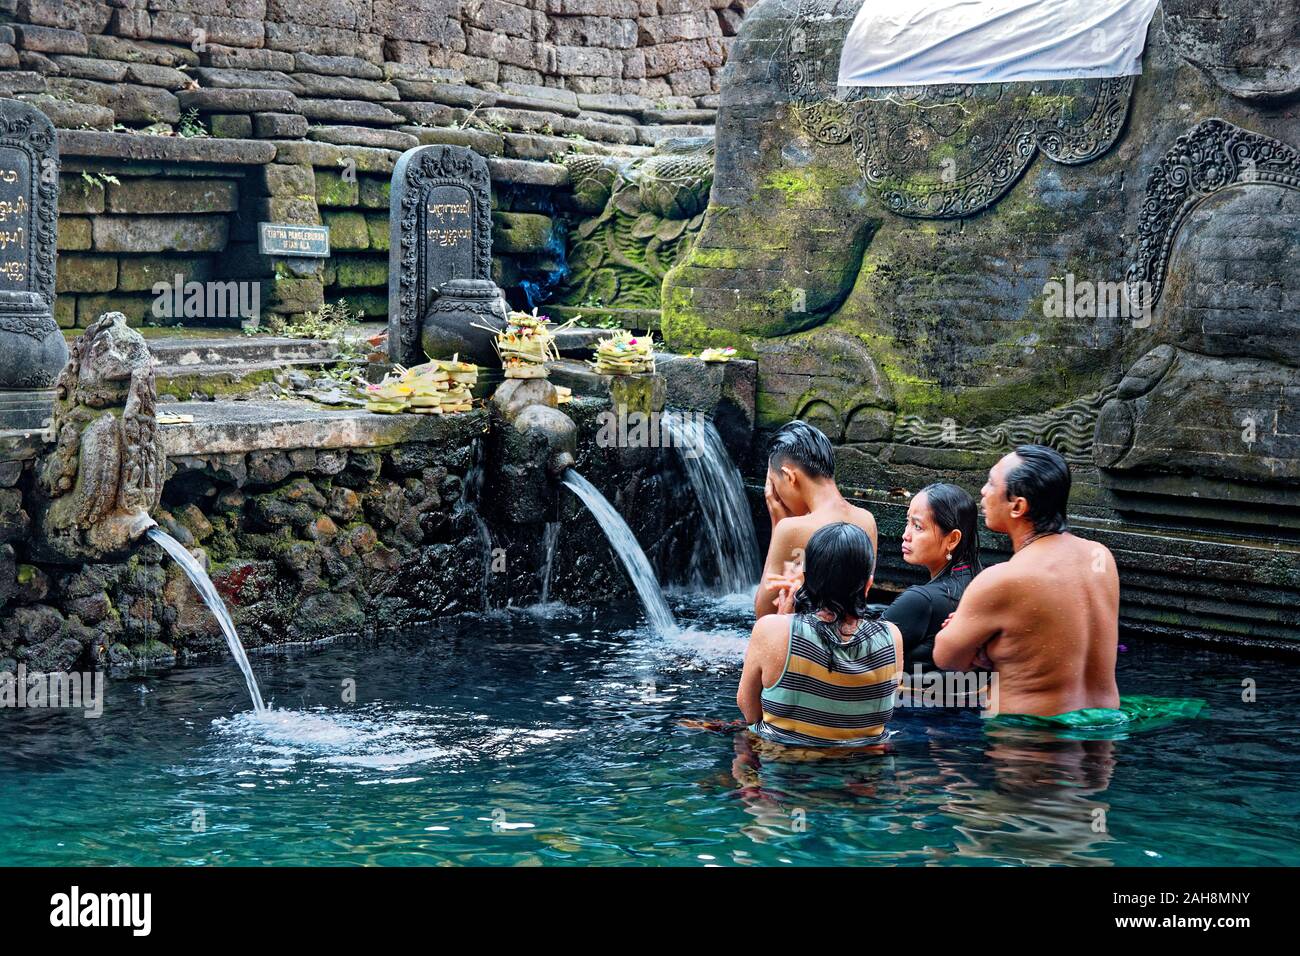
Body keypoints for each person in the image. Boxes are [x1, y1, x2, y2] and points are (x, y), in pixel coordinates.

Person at [933, 445, 1121, 717]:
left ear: (1018, 506)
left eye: (990, 483)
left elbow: (947, 658)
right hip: (1105, 731)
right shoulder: (1100, 557)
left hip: (1031, 739)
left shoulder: (1003, 579)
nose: (983, 492)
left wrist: (984, 645)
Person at [738, 522, 903, 748]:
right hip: (861, 772)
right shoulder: (892, 637)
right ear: (868, 584)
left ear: (807, 579)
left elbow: (748, 709)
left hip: (786, 774)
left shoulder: (771, 629)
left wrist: (783, 620)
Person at [755, 421, 879, 620]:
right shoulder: (867, 520)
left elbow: (765, 614)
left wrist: (778, 524)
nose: (774, 494)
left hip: (806, 646)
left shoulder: (792, 529)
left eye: (773, 484)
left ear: (788, 476)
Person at [882, 483, 982, 671]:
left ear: (952, 539)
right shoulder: (980, 582)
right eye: (908, 522)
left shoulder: (921, 601)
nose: (905, 535)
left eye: (918, 527)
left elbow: (860, 654)